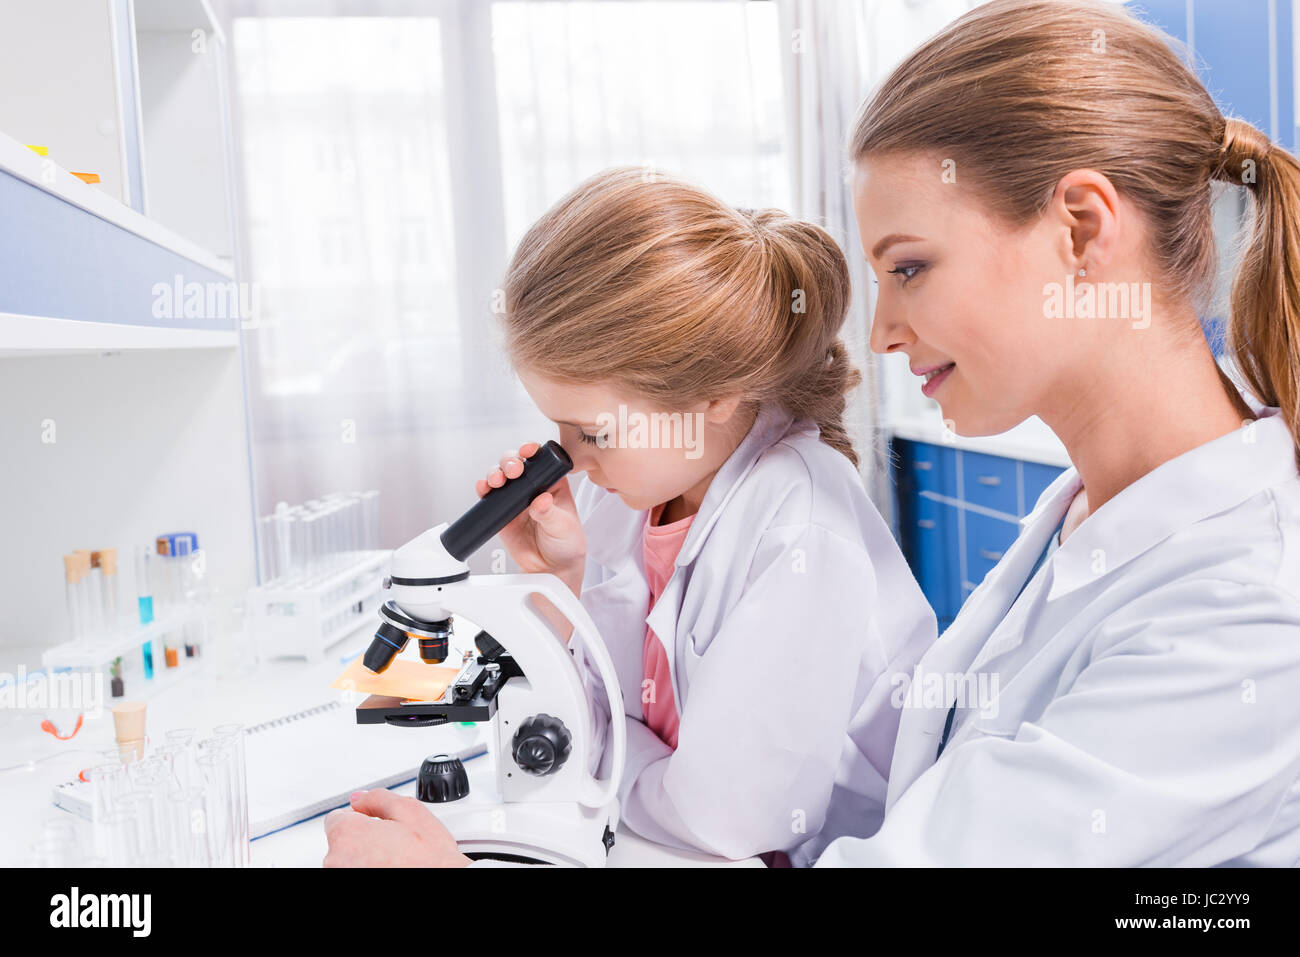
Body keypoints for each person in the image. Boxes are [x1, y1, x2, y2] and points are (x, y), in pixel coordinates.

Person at [324, 167, 936, 866]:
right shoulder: (629, 493)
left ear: (713, 394)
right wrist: (559, 585)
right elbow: (580, 728)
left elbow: (725, 818)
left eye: (594, 432)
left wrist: (613, 750)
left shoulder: (799, 525)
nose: (571, 460)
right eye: (559, 426)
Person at [817, 0, 1300, 865]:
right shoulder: (1089, 509)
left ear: (1082, 227)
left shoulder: (1251, 609)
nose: (884, 329)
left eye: (911, 268)